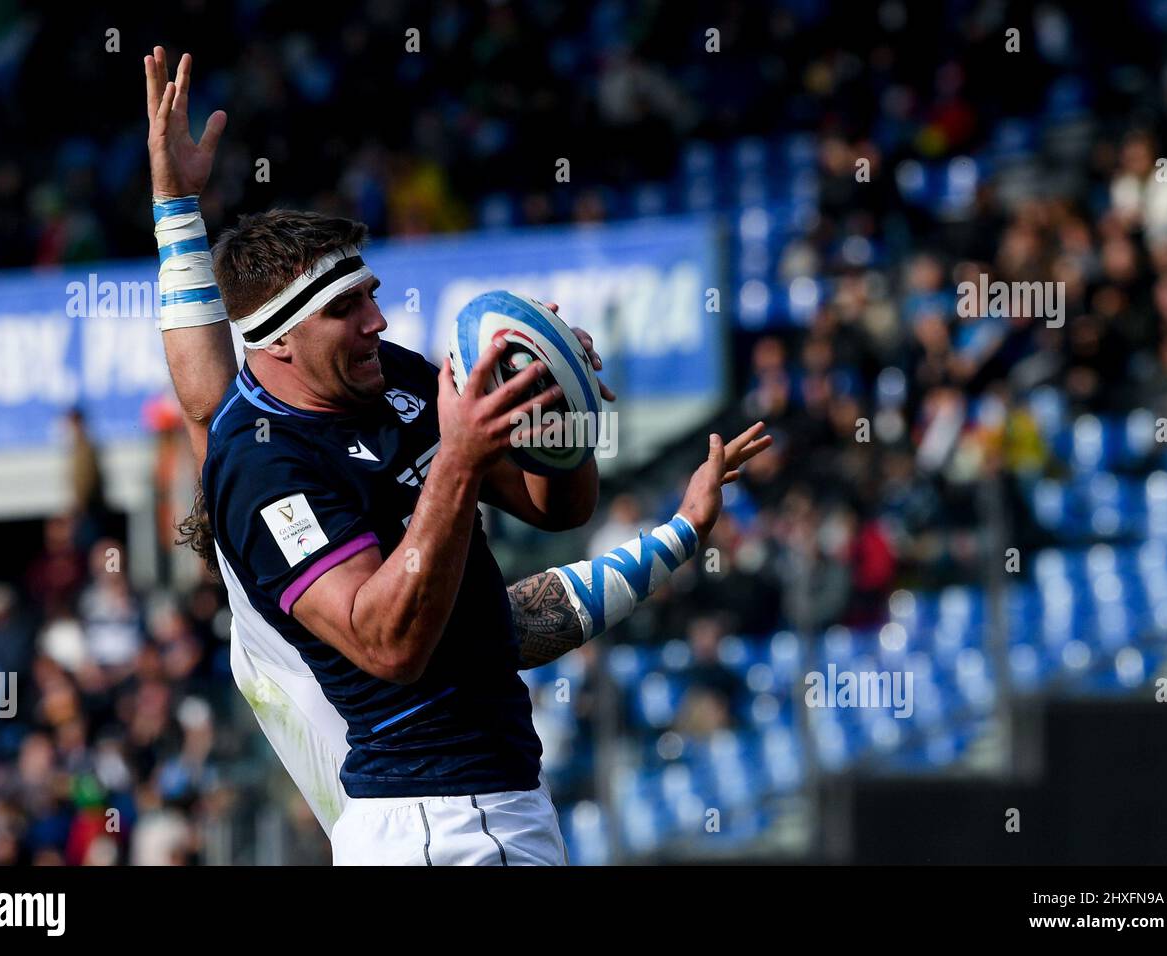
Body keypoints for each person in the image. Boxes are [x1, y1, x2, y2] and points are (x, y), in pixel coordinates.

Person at [142, 48, 770, 865]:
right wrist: (460, 461)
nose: (377, 319)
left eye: (370, 291)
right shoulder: (264, 468)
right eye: (345, 307)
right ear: (280, 341)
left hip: (464, 814)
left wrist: (556, 414)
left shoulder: (390, 379)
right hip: (445, 820)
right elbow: (391, 643)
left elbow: (543, 542)